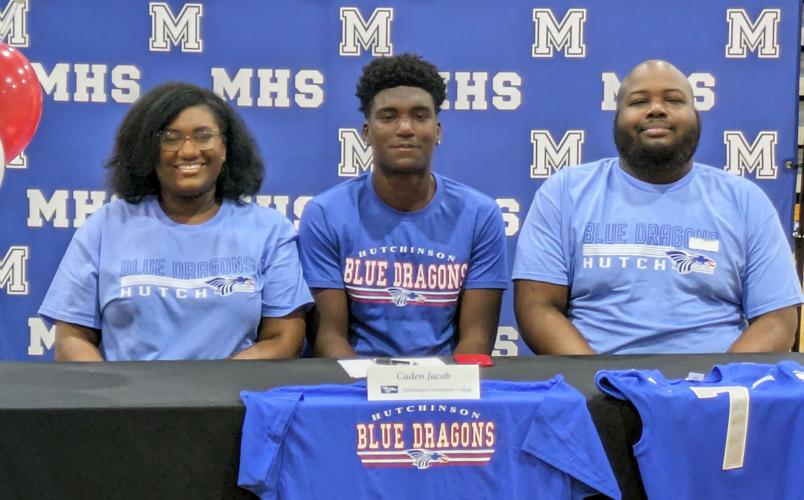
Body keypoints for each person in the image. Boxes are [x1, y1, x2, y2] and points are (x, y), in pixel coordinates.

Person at [513, 59, 803, 355]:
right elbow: (538, 309)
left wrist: (714, 389)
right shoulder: (564, 193)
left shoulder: (745, 200)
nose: (656, 109)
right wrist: (599, 382)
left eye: (674, 100)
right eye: (638, 101)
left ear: (697, 117)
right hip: (594, 390)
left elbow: (777, 321)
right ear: (616, 118)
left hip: (712, 388)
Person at [39, 82, 312, 361]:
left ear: (225, 148)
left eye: (204, 136)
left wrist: (211, 391)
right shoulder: (105, 227)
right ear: (148, 149)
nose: (188, 151)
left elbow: (284, 338)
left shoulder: (269, 230)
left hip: (233, 399)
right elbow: (72, 338)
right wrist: (116, 401)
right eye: (170, 137)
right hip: (126, 401)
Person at [298, 54, 508, 357]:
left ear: (437, 132)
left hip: (445, 387)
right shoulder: (326, 213)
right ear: (367, 134)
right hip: (355, 388)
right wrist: (374, 397)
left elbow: (476, 341)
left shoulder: (479, 215)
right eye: (388, 116)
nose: (405, 128)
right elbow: (330, 339)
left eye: (420, 116)